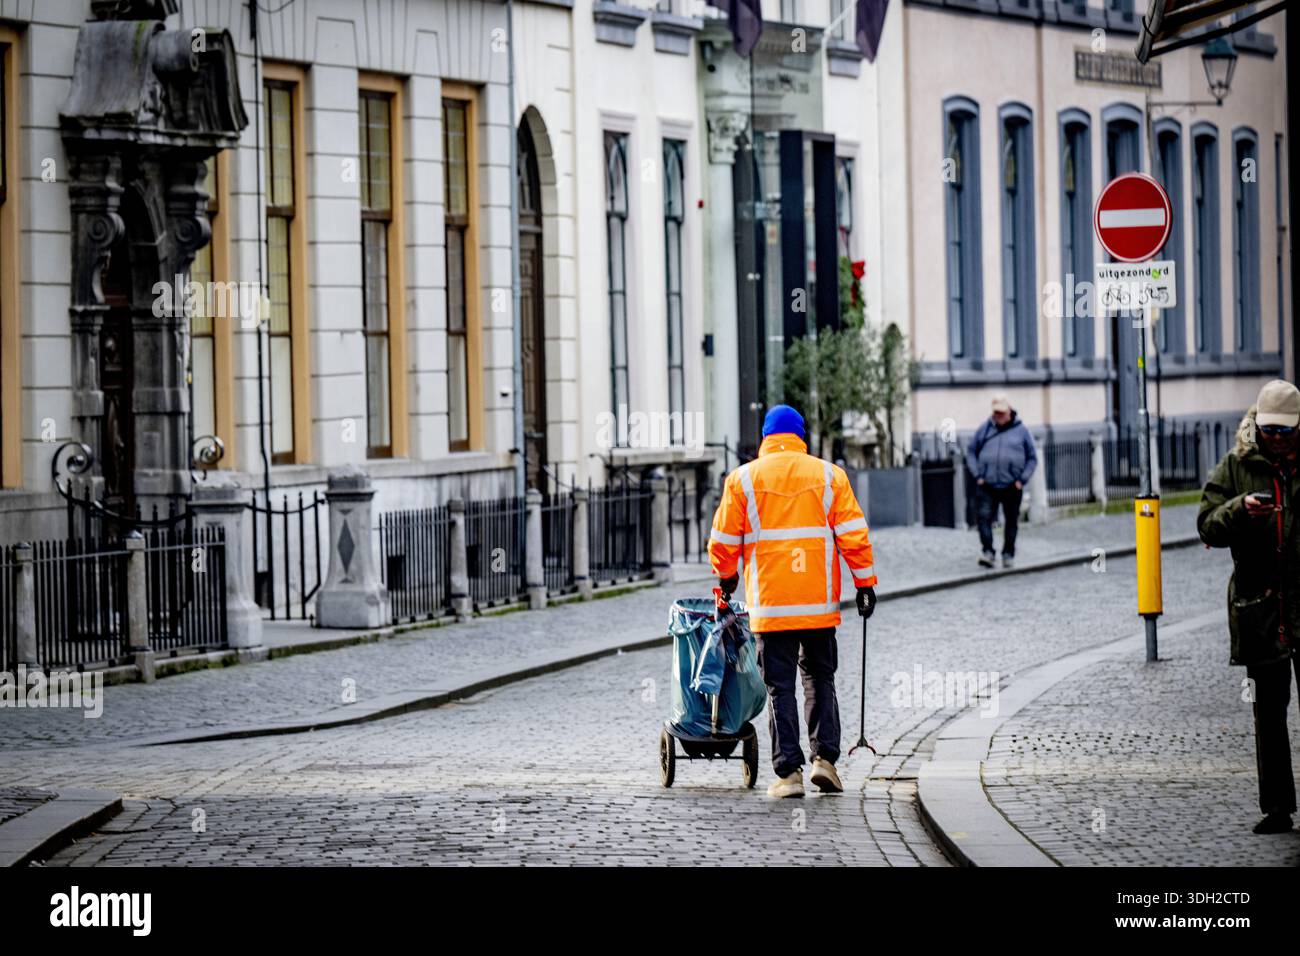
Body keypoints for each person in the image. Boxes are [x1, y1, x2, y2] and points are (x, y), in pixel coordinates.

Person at [708, 405, 877, 799]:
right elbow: (854, 534)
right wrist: (864, 583)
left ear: (765, 437)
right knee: (820, 678)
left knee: (779, 687)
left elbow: (723, 542)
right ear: (801, 436)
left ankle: (789, 774)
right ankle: (826, 763)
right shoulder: (829, 475)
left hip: (771, 606)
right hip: (817, 603)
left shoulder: (743, 479)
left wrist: (727, 576)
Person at [1199, 379, 1300, 835]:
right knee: (1269, 713)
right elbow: (1206, 525)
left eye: (1286, 431)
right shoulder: (1236, 463)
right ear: (1258, 423)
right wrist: (1240, 510)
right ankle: (1277, 807)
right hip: (1260, 606)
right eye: (1271, 430)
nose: (1277, 439)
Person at [965, 392, 1037, 569]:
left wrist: (1022, 480)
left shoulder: (1022, 431)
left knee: (1011, 521)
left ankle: (1008, 553)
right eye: (995, 413)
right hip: (988, 484)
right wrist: (978, 475)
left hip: (1012, 484)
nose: (998, 416)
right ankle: (988, 551)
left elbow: (1032, 458)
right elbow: (971, 451)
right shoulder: (985, 429)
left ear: (1009, 412)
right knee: (983, 518)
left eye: (1001, 413)